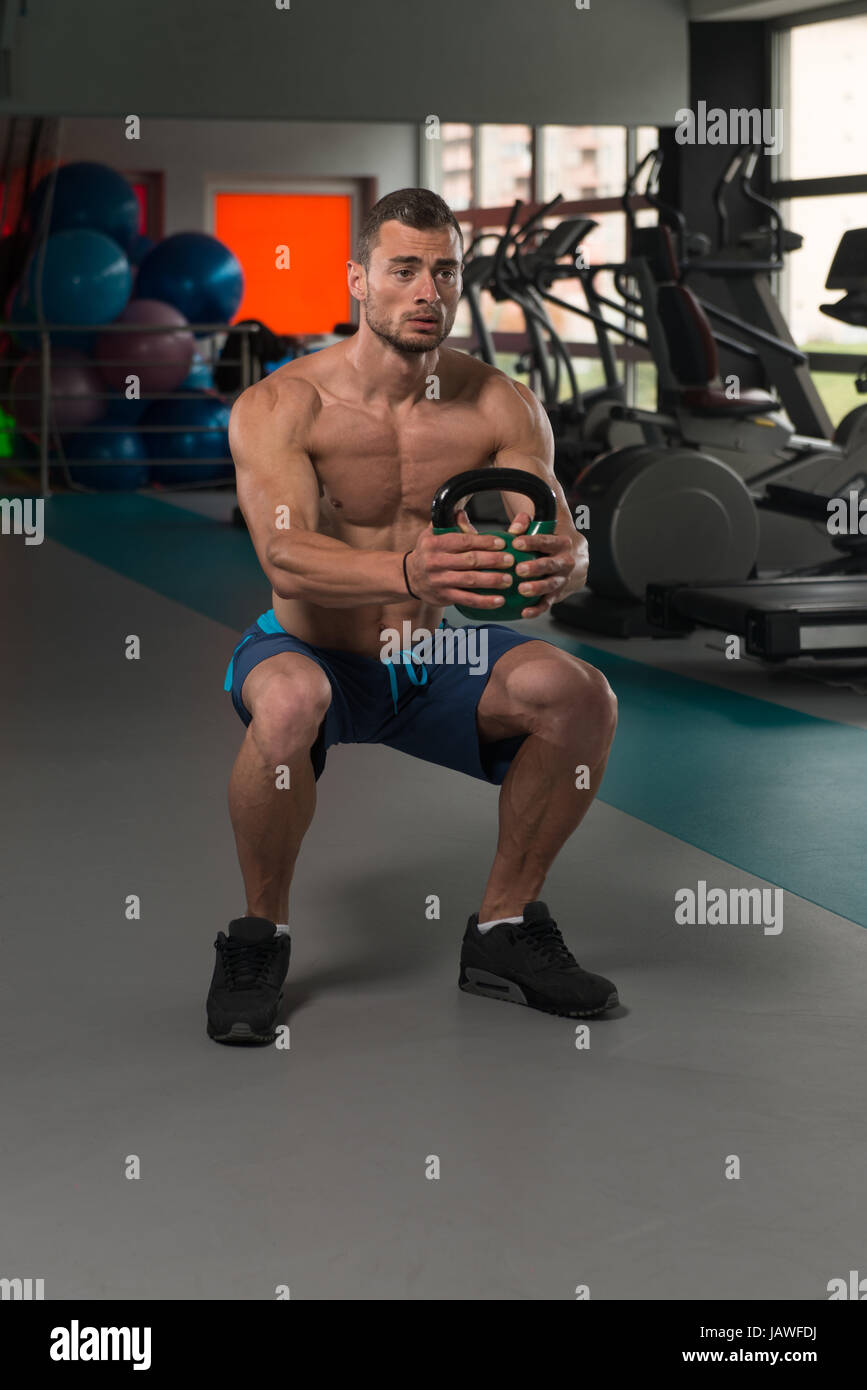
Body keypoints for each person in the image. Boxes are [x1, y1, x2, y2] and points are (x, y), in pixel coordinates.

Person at [208, 188, 619, 1044]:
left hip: (424, 657)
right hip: (309, 648)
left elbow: (560, 534)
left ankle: (502, 930)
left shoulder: (499, 402)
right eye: (404, 270)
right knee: (285, 706)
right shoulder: (285, 405)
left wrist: (563, 565)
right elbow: (283, 552)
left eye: (445, 271)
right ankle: (259, 937)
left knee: (579, 695)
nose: (427, 291)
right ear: (359, 280)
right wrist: (404, 565)